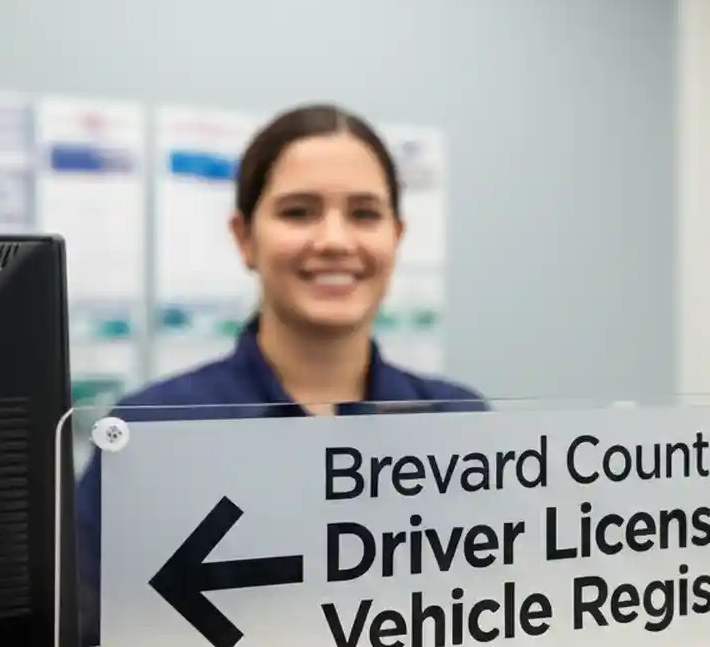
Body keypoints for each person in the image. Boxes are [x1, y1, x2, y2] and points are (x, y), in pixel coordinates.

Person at [73, 103, 483, 643]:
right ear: (244, 237)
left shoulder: (460, 424)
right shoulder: (152, 431)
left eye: (364, 214)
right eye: (298, 212)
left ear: (397, 236)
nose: (335, 240)